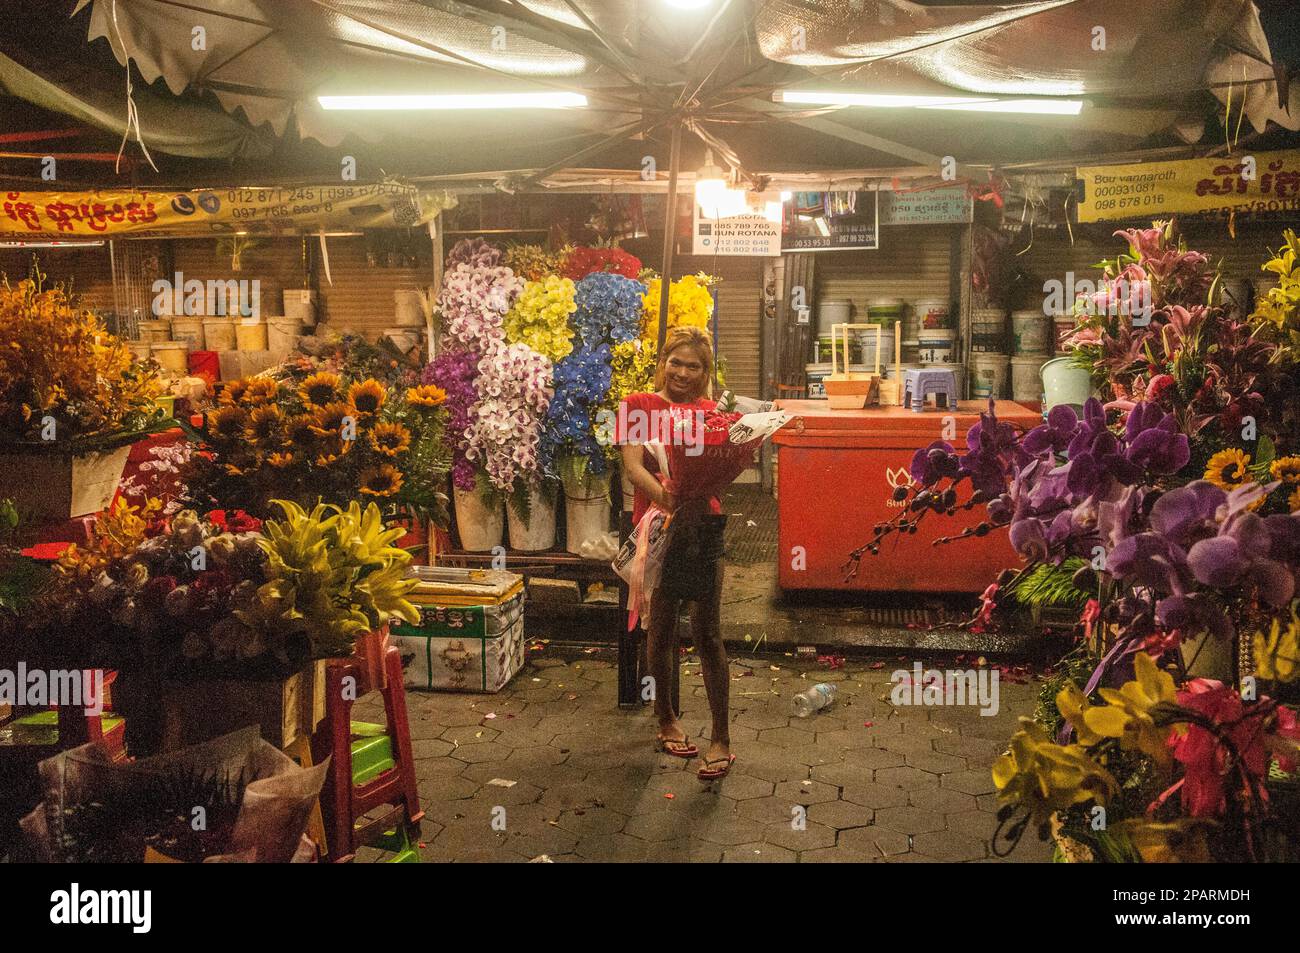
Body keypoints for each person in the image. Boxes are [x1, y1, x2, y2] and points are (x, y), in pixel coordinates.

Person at [617, 326, 734, 780]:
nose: (683, 372)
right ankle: (665, 719)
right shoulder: (637, 406)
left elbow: (724, 470)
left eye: (694, 366)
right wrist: (669, 499)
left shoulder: (712, 412)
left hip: (704, 527)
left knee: (708, 631)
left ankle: (721, 737)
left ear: (706, 372)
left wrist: (697, 495)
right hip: (659, 527)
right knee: (661, 628)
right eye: (676, 362)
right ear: (663, 361)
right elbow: (631, 467)